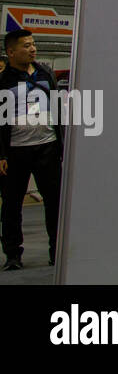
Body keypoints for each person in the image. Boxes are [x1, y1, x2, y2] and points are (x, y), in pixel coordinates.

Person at [0, 30, 64, 269]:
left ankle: (56, 251)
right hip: (15, 152)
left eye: (34, 44)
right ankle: (13, 255)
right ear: (11, 52)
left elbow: (59, 111)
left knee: (55, 202)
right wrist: (1, 155)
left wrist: (62, 145)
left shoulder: (45, 73)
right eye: (26, 46)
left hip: (47, 148)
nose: (33, 49)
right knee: (11, 205)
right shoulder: (3, 81)